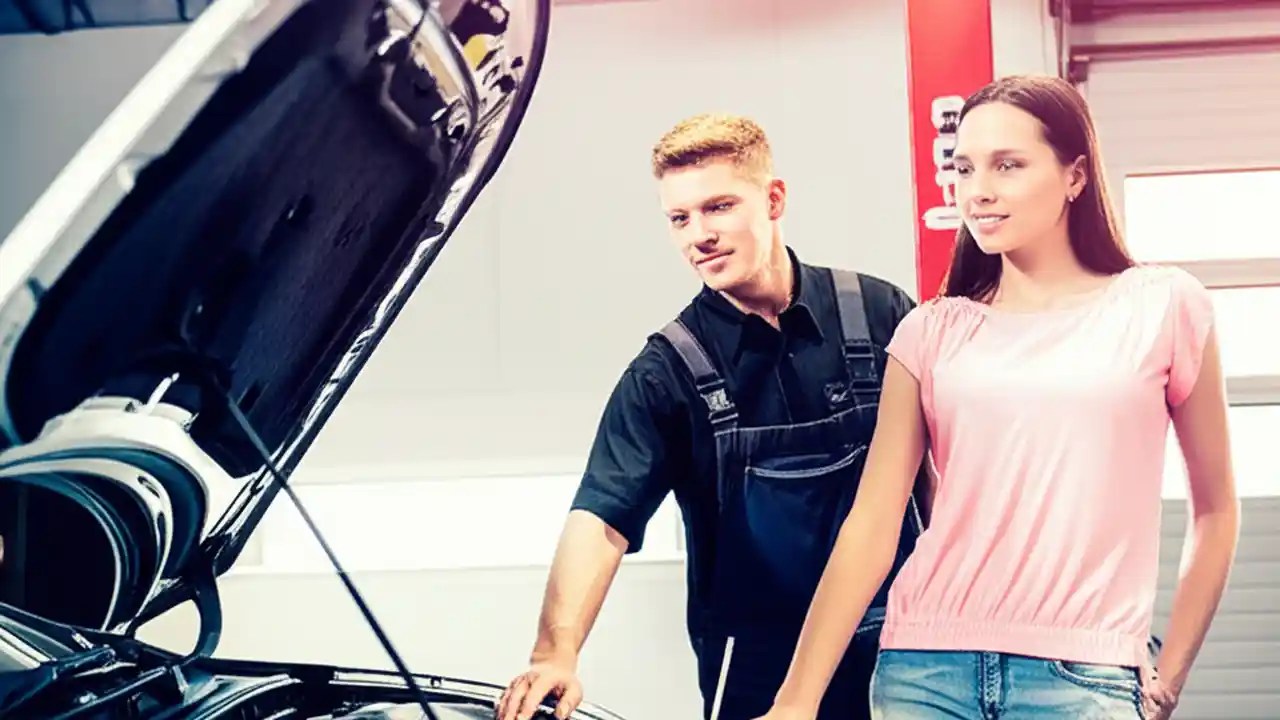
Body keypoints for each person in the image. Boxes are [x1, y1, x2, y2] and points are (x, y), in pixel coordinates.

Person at [754, 74, 1241, 720]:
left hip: (1083, 681)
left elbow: (1216, 511)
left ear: (1074, 175)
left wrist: (1170, 674)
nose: (977, 190)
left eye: (1007, 165)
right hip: (923, 673)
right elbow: (871, 526)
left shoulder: (1163, 306)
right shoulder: (930, 331)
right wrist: (796, 699)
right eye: (963, 168)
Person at [494, 113, 928, 720]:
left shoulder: (880, 311)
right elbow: (602, 516)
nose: (699, 234)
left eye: (718, 207)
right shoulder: (665, 372)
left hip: (905, 648)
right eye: (680, 217)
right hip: (757, 670)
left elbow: (939, 479)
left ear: (773, 198)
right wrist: (554, 652)